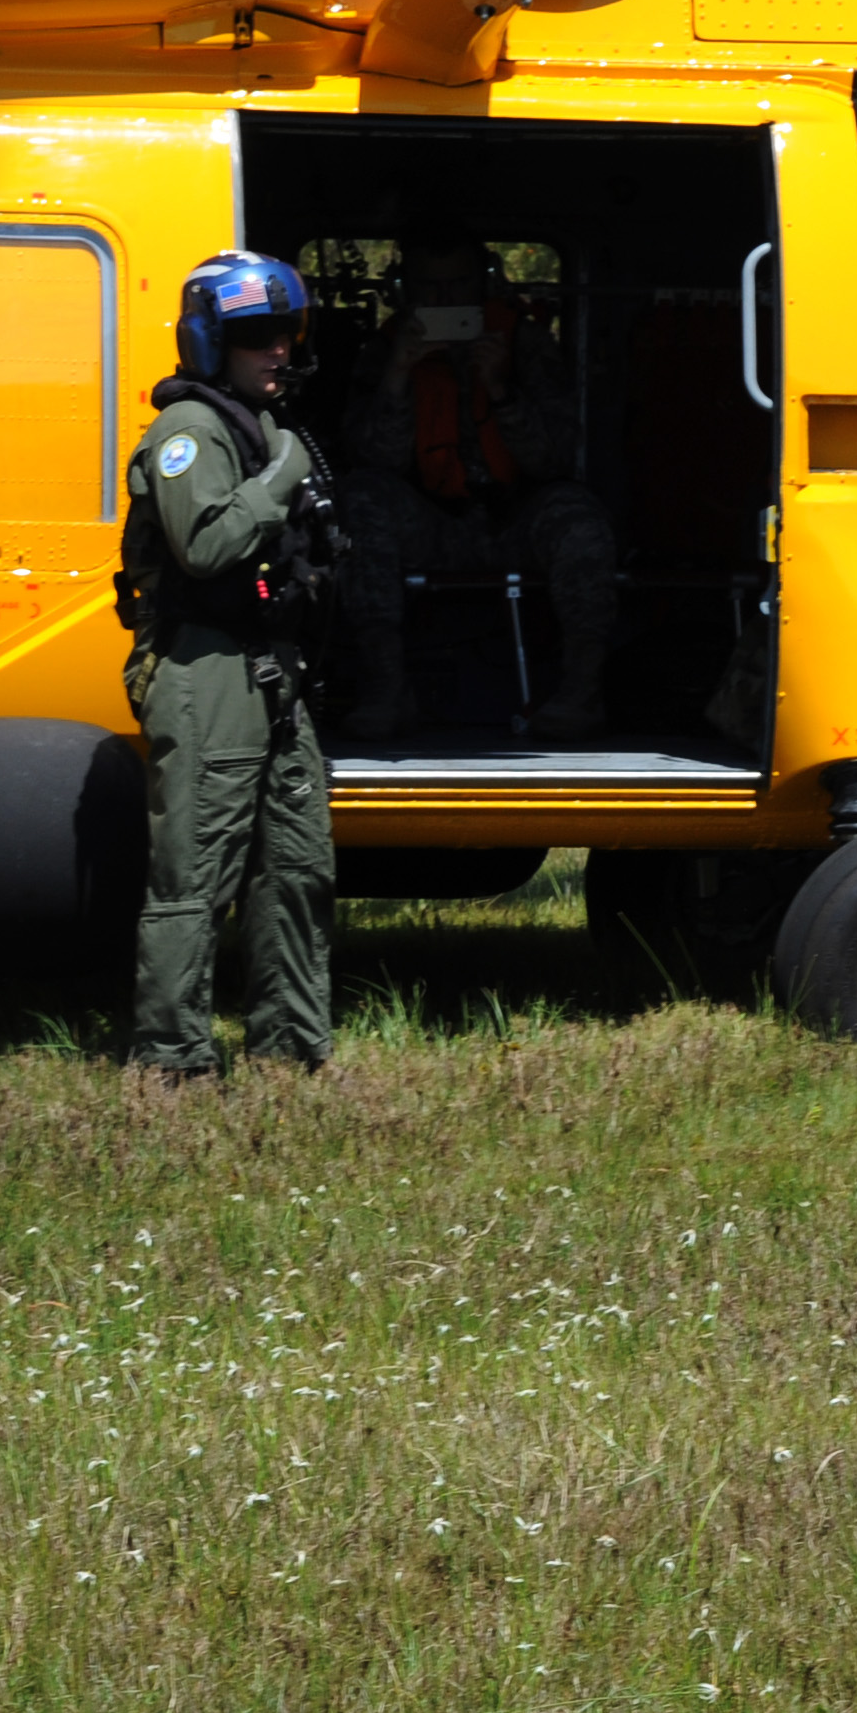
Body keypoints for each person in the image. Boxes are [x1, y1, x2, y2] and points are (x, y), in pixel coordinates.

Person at [119, 251, 343, 1086]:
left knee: (297, 864)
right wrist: (283, 476)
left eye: (286, 333)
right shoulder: (191, 432)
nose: (278, 351)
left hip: (269, 669)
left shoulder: (256, 424)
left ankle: (290, 1049)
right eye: (257, 337)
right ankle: (172, 1058)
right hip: (206, 669)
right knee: (196, 870)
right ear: (212, 343)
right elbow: (207, 544)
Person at [333, 233, 621, 742]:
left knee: (578, 514)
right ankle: (387, 691)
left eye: (458, 285)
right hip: (429, 521)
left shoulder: (525, 341)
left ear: (484, 282)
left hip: (514, 520)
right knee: (360, 499)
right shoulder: (386, 348)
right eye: (429, 287)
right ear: (406, 289)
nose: (444, 300)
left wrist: (501, 389)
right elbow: (371, 460)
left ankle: (582, 695)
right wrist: (399, 374)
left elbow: (555, 458)